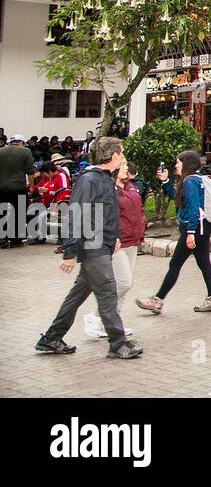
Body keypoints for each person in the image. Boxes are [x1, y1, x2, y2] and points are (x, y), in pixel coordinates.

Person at [34, 137, 142, 359]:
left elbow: (106, 214)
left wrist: (115, 239)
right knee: (108, 293)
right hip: (93, 247)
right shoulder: (90, 180)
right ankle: (118, 343)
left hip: (100, 244)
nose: (122, 159)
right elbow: (75, 215)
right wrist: (70, 253)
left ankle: (52, 338)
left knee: (77, 294)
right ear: (113, 156)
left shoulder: (103, 179)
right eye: (121, 154)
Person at [135, 151, 211, 314]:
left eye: (178, 163)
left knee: (175, 264)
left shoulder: (189, 181)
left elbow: (194, 209)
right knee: (204, 263)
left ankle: (158, 300)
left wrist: (190, 233)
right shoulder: (194, 179)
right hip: (202, 227)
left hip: (194, 228)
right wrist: (166, 181)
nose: (175, 165)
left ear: (186, 164)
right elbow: (179, 198)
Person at [85, 159, 145, 340]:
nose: (127, 168)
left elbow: (138, 210)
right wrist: (113, 237)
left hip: (133, 240)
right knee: (123, 283)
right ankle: (96, 317)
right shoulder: (108, 188)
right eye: (124, 165)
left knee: (124, 286)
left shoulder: (130, 186)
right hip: (118, 242)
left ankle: (113, 324)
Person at [0, 135, 34, 248]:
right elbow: (30, 171)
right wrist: (32, 187)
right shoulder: (25, 151)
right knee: (19, 213)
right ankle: (16, 240)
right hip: (18, 187)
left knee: (2, 213)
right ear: (21, 142)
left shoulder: (1, 151)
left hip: (2, 188)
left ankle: (2, 240)